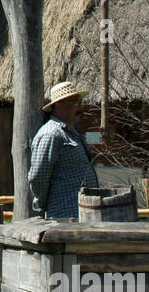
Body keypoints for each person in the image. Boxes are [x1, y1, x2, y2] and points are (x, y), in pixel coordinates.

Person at [28, 81, 99, 219]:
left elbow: (95, 139)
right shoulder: (51, 134)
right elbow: (38, 176)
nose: (80, 108)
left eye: (80, 102)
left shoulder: (74, 131)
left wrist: (108, 136)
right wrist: (42, 203)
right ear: (59, 105)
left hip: (82, 213)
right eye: (74, 102)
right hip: (65, 215)